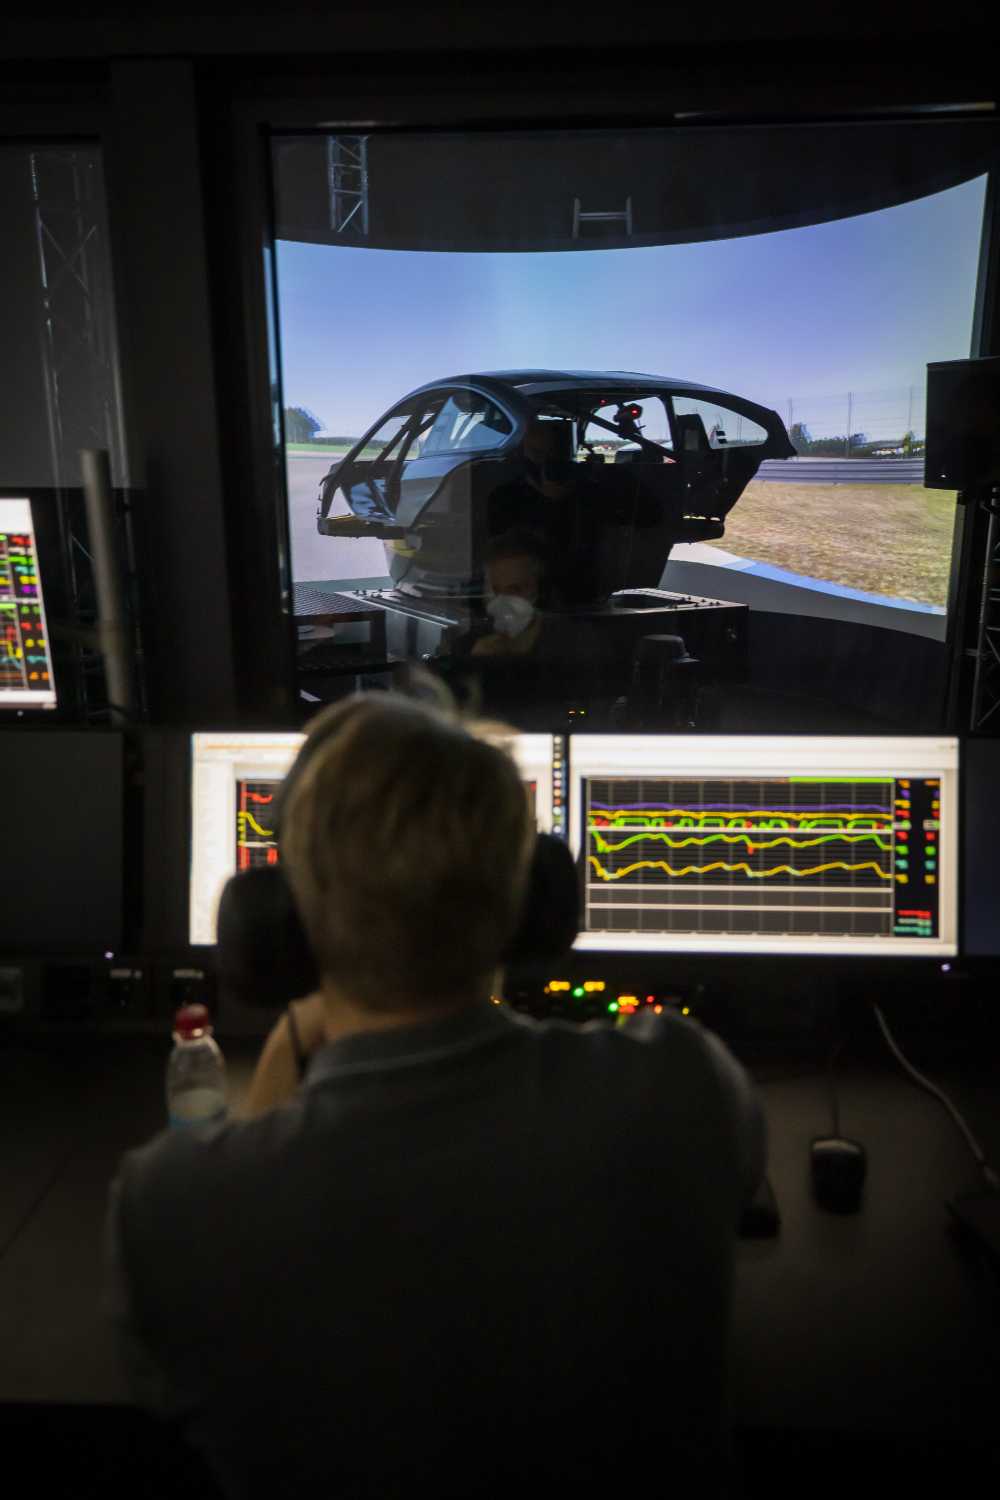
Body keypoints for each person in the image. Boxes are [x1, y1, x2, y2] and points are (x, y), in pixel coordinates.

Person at [103, 692, 766, 1500]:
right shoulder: (683, 1087)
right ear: (530, 914)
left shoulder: (167, 1207)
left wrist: (294, 1035)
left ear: (278, 930)